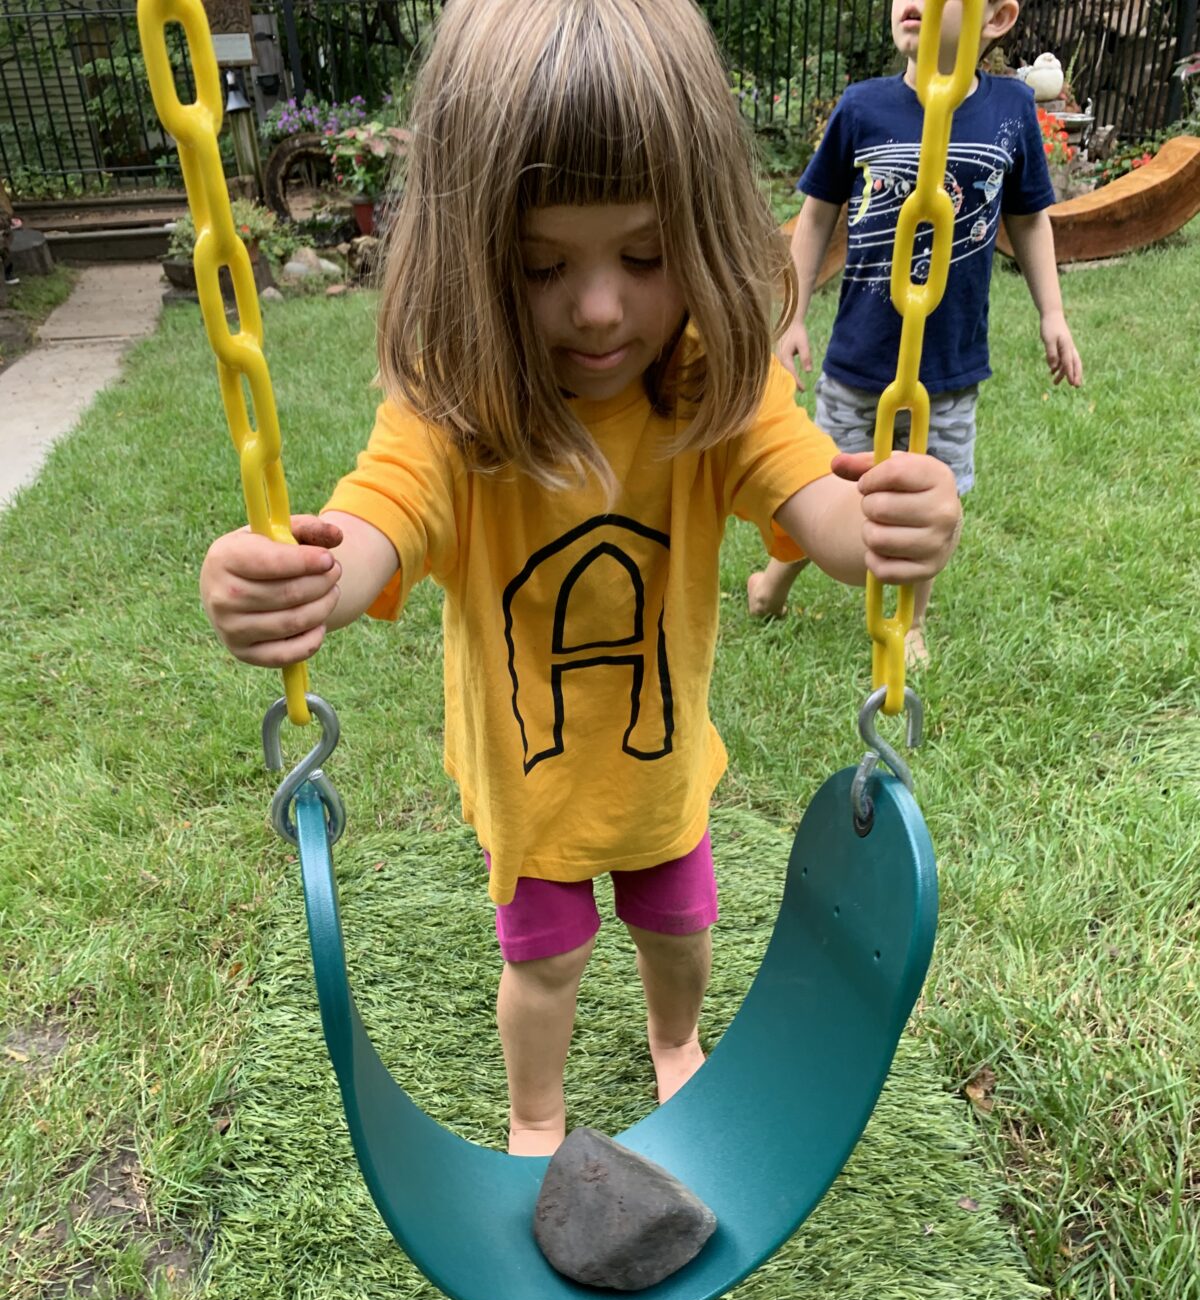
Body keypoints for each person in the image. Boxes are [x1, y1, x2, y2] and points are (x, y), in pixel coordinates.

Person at [200, 0, 962, 1157]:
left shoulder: (715, 386)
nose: (599, 305)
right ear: (473, 257)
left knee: (680, 929)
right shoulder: (460, 404)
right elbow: (379, 521)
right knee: (546, 962)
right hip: (536, 791)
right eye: (544, 264)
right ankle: (536, 1115)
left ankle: (674, 1043)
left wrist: (892, 519)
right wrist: (296, 580)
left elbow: (824, 510)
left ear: (700, 235)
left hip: (659, 777)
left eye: (644, 255)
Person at [747, 0, 1083, 664]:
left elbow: (1029, 220)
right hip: (858, 359)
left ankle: (912, 618)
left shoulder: (1010, 109)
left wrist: (1053, 313)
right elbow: (815, 219)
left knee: (929, 500)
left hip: (950, 367)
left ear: (997, 18)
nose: (910, 4)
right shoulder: (863, 106)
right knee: (826, 488)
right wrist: (790, 318)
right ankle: (777, 579)